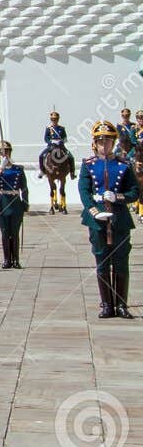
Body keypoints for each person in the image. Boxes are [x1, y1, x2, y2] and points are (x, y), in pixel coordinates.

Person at [78, 120, 138, 318]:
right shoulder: (88, 165)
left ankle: (121, 305)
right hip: (97, 219)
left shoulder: (124, 165)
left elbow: (134, 191)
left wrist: (118, 197)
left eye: (109, 142)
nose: (105, 146)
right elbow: (84, 192)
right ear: (95, 143)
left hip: (119, 218)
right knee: (102, 262)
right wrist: (94, 211)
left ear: (114, 143)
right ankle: (106, 305)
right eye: (101, 142)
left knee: (121, 262)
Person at [0, 141, 28, 270]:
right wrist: (0, 168)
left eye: (7, 152)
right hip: (1, 202)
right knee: (5, 232)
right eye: (2, 152)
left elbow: (24, 188)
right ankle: (7, 260)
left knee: (15, 232)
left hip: (15, 202)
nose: (5, 154)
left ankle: (16, 260)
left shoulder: (18, 169)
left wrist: (25, 202)